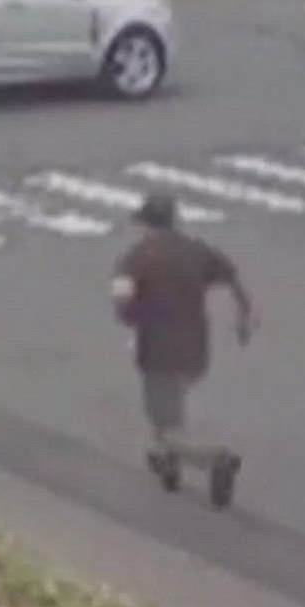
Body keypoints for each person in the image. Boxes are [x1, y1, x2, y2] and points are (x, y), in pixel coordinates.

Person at [111, 192, 256, 508]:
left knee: (165, 425)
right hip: (195, 348)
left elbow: (122, 306)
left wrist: (136, 315)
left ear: (146, 224)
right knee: (171, 409)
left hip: (158, 350)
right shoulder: (196, 250)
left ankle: (214, 459)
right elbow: (231, 276)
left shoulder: (135, 258)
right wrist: (244, 317)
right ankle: (166, 463)